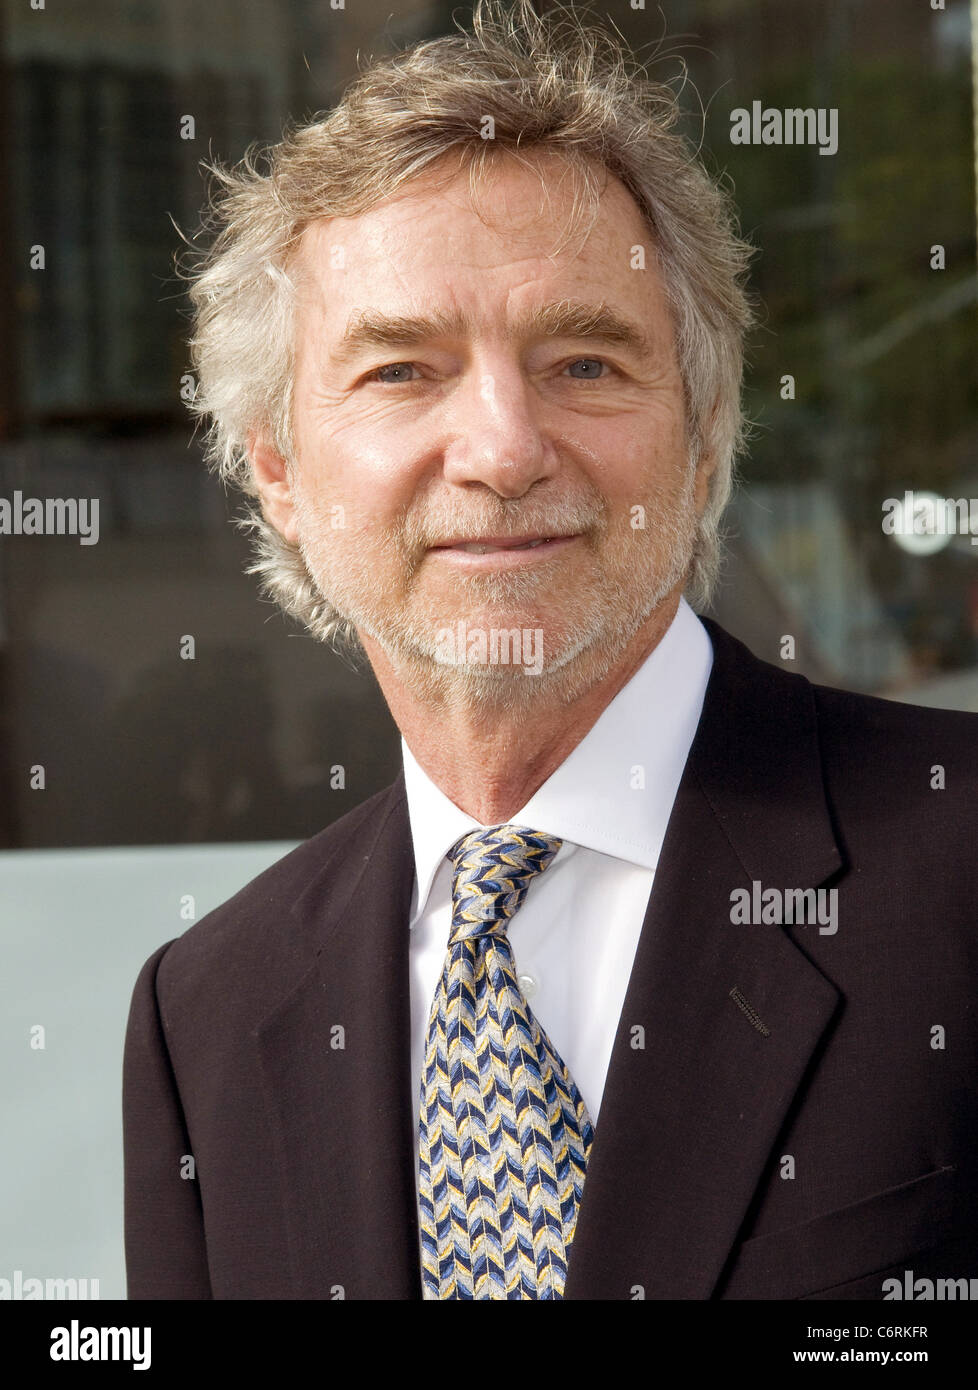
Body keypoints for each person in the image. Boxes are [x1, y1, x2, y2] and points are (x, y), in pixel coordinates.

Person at [123, 0, 978, 1300]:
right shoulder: (206, 1013)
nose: (505, 448)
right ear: (281, 473)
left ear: (700, 445)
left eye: (584, 361)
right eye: (401, 371)